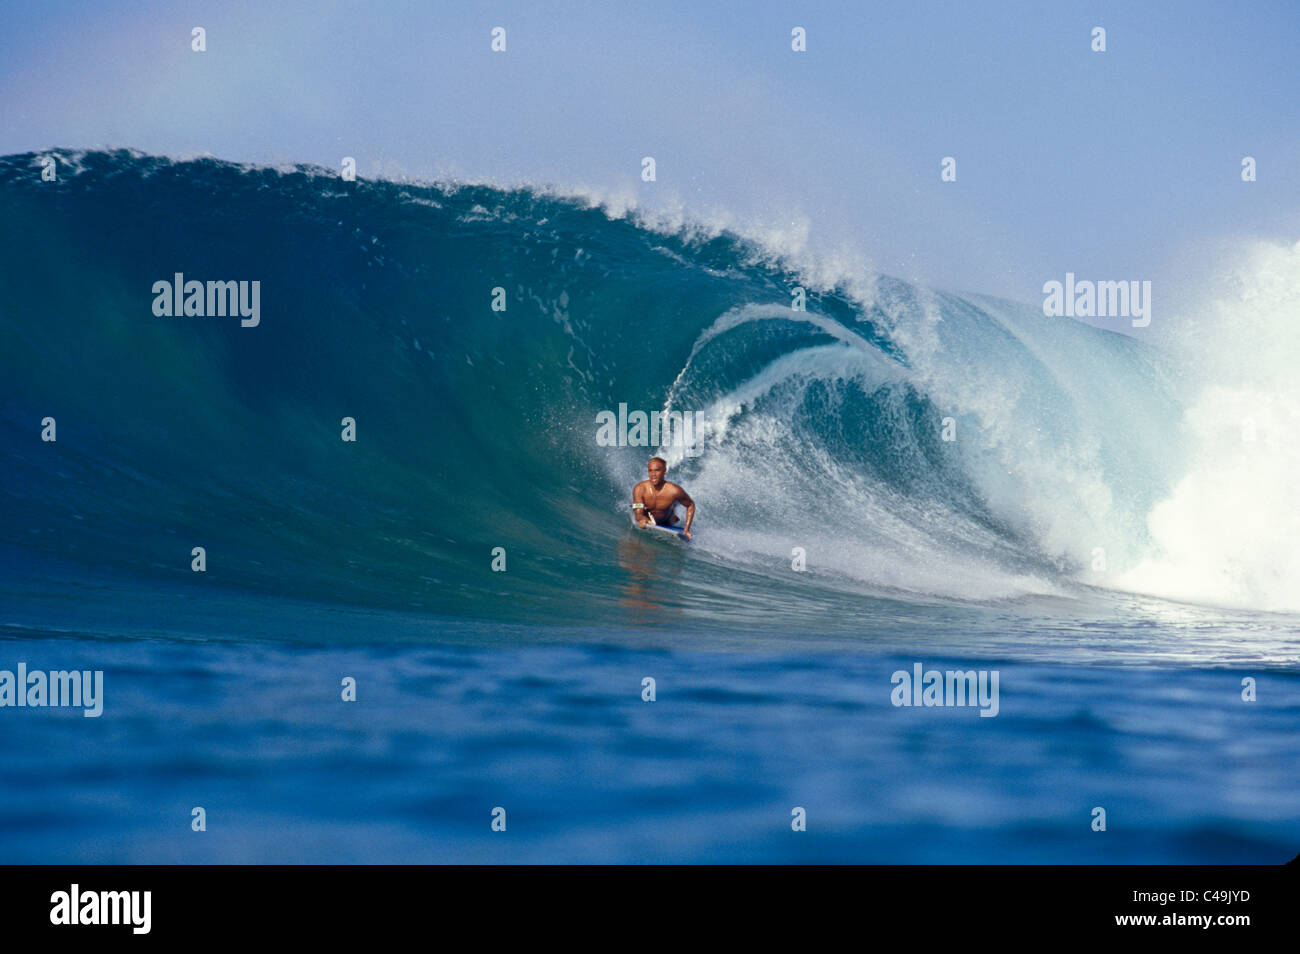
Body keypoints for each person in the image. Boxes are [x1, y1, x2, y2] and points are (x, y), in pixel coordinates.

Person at [632, 457, 695, 539]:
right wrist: (642, 519)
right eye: (650, 470)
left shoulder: (674, 490)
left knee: (672, 511)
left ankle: (673, 511)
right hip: (648, 517)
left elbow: (690, 505)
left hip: (667, 520)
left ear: (664, 471)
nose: (653, 474)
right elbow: (638, 514)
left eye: (657, 470)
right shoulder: (640, 488)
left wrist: (687, 529)